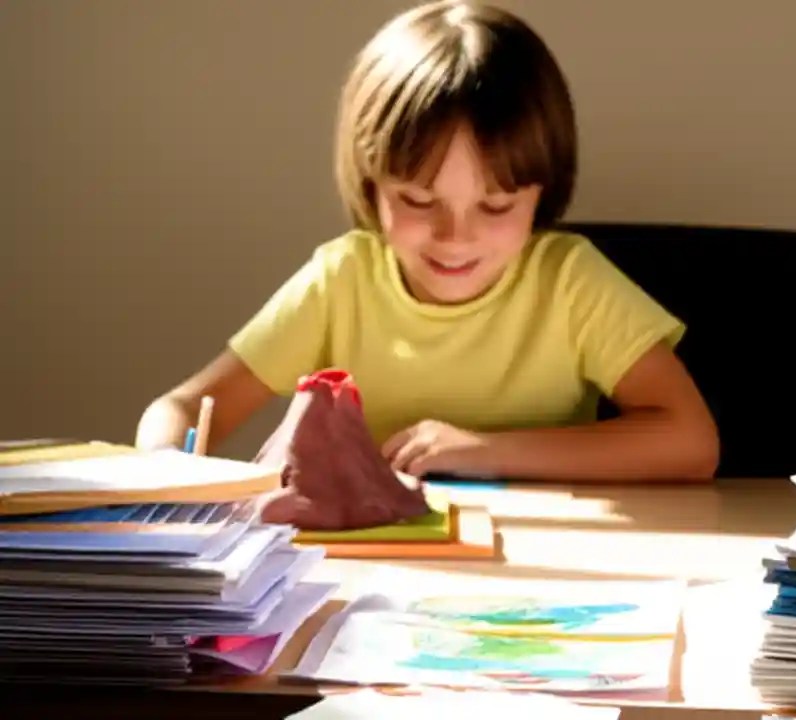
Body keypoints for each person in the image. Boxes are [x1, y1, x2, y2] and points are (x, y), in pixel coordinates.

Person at [135, 0, 719, 481]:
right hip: (371, 573)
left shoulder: (571, 282)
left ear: (543, 191)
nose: (455, 237)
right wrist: (163, 466)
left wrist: (486, 452)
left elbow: (691, 441)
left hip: (542, 566)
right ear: (371, 183)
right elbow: (181, 407)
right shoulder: (342, 281)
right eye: (418, 201)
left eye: (495, 206)